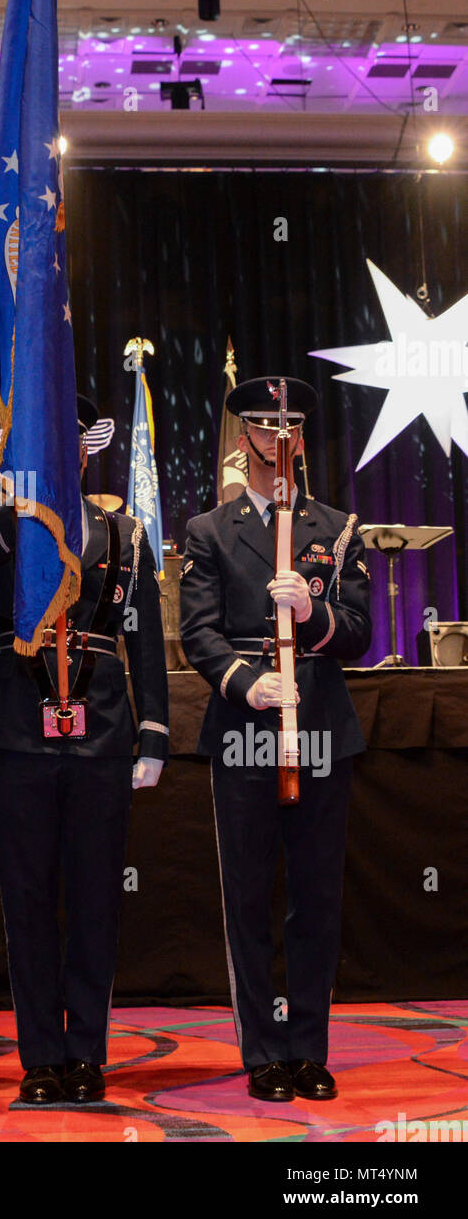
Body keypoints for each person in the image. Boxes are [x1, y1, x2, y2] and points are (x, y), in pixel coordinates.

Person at [0, 396, 169, 1106]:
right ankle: (41, 1056)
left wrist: (154, 732)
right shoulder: (4, 526)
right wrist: (19, 498)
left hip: (101, 723)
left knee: (93, 899)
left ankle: (86, 1053)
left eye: (65, 448)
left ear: (84, 455)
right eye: (42, 448)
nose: (59, 459)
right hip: (19, 721)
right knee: (26, 897)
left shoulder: (122, 533)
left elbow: (141, 638)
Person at [179, 376, 371, 1102]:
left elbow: (356, 633)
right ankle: (261, 1047)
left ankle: (308, 1047)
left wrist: (314, 609)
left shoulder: (336, 526)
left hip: (319, 722)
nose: (274, 438)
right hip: (244, 728)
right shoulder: (208, 531)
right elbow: (196, 630)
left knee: (316, 897)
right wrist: (241, 680)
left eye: (285, 426)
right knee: (249, 893)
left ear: (298, 438)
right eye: (261, 425)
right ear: (243, 438)